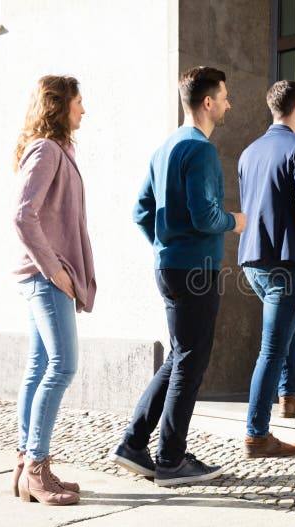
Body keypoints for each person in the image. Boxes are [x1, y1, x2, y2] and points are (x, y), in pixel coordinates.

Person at [110, 66, 247, 486]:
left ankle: (135, 444)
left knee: (179, 355)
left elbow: (141, 212)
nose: (228, 104)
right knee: (190, 360)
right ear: (207, 102)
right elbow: (206, 216)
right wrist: (235, 221)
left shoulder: (165, 147)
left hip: (168, 266)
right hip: (195, 271)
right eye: (224, 97)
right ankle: (171, 460)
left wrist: (164, 244)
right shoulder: (201, 150)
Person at [12, 75, 96, 505]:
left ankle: (27, 463)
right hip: (45, 277)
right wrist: (56, 271)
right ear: (59, 105)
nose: (84, 109)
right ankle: (37, 469)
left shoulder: (60, 150)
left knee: (39, 365)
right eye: (79, 102)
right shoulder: (46, 150)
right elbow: (23, 215)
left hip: (42, 275)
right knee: (62, 366)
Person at [238, 80, 295, 458]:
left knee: (290, 324)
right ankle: (257, 434)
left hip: (252, 260)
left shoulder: (248, 152)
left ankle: (288, 396)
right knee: (271, 348)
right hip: (285, 262)